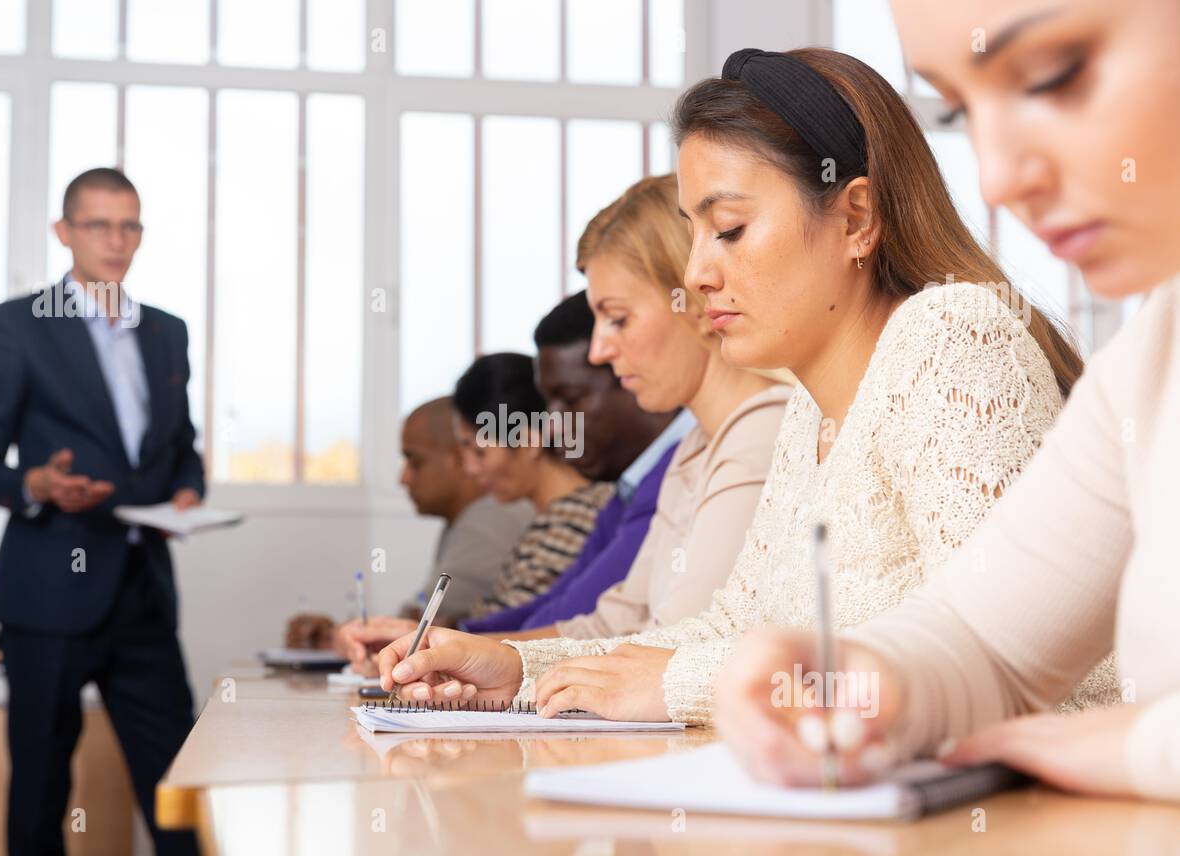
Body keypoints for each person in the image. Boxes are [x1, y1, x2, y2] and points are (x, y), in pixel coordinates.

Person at [375, 46, 1109, 726]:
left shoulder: (953, 335)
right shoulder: (807, 415)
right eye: (694, 233)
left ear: (855, 217)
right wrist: (521, 669)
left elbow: (997, 649)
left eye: (728, 228)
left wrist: (676, 685)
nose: (696, 274)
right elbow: (733, 627)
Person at [714, 0, 1180, 803]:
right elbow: (987, 642)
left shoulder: (950, 331)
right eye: (960, 110)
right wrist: (864, 682)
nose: (999, 178)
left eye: (1053, 74)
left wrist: (1142, 746)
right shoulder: (1153, 353)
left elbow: (1095, 714)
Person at [0, 167, 204, 856]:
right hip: (48, 592)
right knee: (39, 787)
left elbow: (183, 449)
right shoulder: (17, 327)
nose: (115, 240)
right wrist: (33, 483)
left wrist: (188, 490)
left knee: (177, 782)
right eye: (98, 225)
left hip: (142, 591)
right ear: (65, 233)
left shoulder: (167, 334)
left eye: (129, 226)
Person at [339, 291, 693, 665]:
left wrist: (455, 645)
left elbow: (579, 618)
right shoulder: (623, 496)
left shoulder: (586, 509)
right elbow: (566, 611)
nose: (556, 424)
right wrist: (448, 641)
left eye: (478, 450)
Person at [286, 395, 533, 649]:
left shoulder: (490, 518)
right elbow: (417, 625)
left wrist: (340, 636)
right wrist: (337, 634)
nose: (403, 479)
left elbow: (420, 632)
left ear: (461, 459)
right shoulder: (469, 520)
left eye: (415, 461)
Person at [453, 353, 614, 620]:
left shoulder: (573, 521)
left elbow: (513, 630)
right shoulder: (567, 514)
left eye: (479, 451)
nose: (469, 469)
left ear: (529, 441)